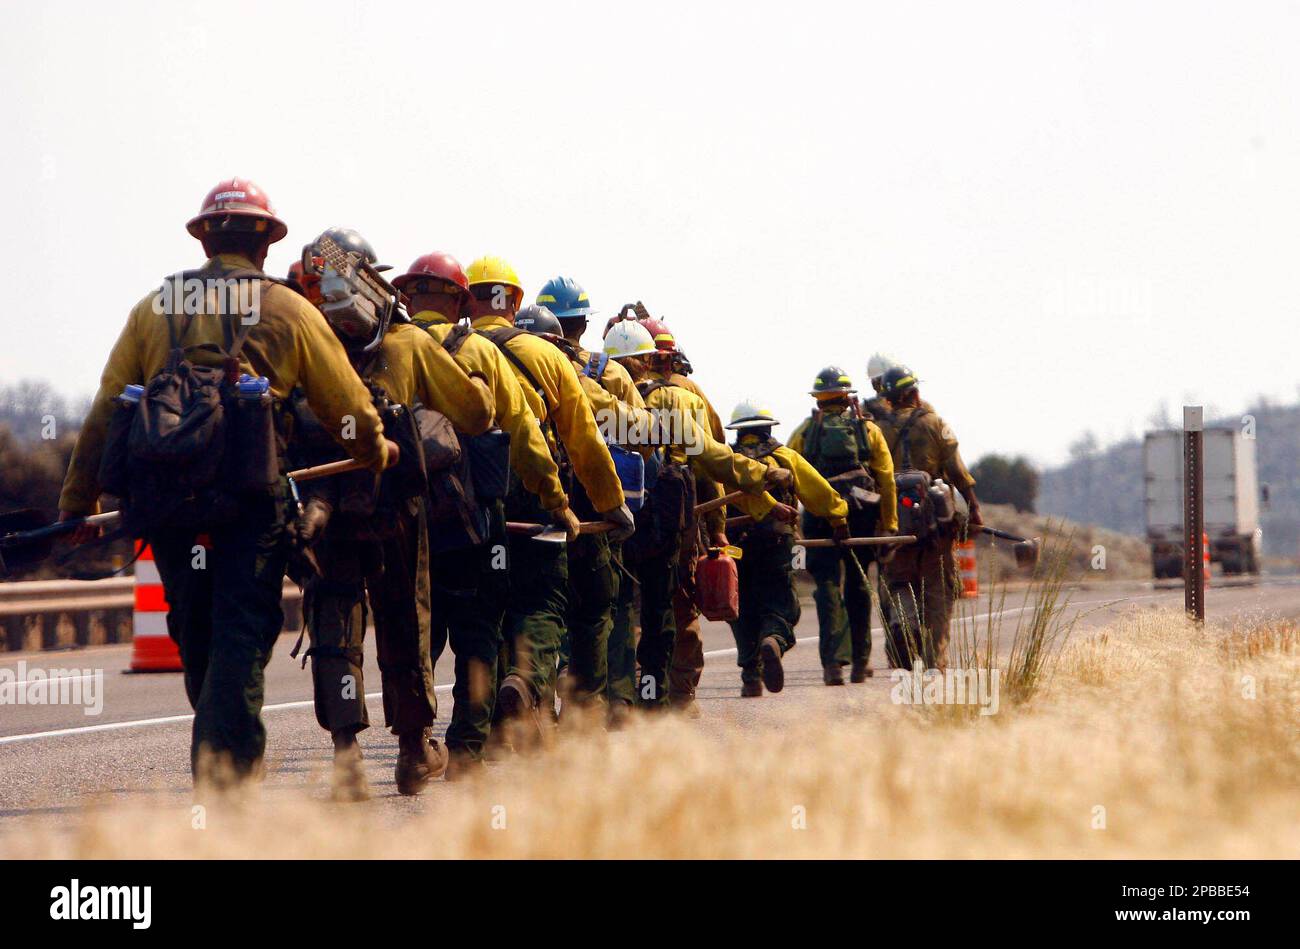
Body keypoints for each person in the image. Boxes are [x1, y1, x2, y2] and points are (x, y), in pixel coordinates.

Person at [57, 179, 396, 788]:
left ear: (204, 238)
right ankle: (226, 786)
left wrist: (76, 503)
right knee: (241, 635)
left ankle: (224, 759)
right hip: (249, 505)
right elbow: (347, 408)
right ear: (266, 244)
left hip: (165, 503)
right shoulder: (289, 308)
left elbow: (107, 410)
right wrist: (375, 450)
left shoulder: (153, 308)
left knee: (197, 631)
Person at [285, 228, 494, 799]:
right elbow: (476, 416)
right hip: (396, 505)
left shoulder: (300, 341)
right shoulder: (409, 344)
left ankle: (347, 755)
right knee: (405, 621)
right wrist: (477, 381)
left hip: (328, 508)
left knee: (336, 624)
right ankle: (411, 748)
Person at [393, 252, 570, 777]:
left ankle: (413, 745)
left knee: (415, 633)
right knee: (479, 631)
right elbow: (522, 432)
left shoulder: (388, 349)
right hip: (475, 521)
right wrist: (555, 498)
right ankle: (468, 750)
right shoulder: (477, 351)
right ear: (460, 300)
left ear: (408, 295)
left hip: (403, 517)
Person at [465, 256, 633, 744]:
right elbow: (584, 441)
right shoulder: (559, 361)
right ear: (515, 300)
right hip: (536, 489)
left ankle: (481, 734)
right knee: (543, 601)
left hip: (469, 493)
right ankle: (529, 683)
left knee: (485, 607)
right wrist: (607, 503)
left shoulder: (451, 350)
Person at [602, 320, 794, 709]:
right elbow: (713, 459)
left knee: (616, 607)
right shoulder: (679, 400)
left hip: (608, 520)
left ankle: (622, 696)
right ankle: (677, 695)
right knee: (677, 604)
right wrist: (761, 486)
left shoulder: (591, 396)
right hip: (670, 520)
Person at [724, 400, 849, 695]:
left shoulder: (726, 461)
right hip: (781, 544)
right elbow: (819, 493)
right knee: (784, 601)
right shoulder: (785, 457)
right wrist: (838, 517)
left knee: (741, 606)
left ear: (738, 432)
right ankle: (774, 640)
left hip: (734, 548)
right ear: (768, 428)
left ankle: (750, 676)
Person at [788, 367, 898, 684]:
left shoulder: (805, 432)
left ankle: (832, 665)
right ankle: (861, 664)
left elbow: (787, 476)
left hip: (819, 516)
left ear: (819, 399)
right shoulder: (868, 431)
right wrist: (889, 525)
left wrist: (793, 522)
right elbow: (887, 481)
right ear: (848, 398)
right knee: (859, 585)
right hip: (861, 516)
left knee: (826, 589)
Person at [874, 365, 982, 670]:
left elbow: (870, 476)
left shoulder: (876, 430)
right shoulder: (935, 423)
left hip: (892, 523)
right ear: (915, 393)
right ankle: (935, 659)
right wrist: (973, 507)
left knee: (898, 581)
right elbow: (957, 470)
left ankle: (902, 622)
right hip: (935, 525)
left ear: (887, 398)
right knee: (938, 588)